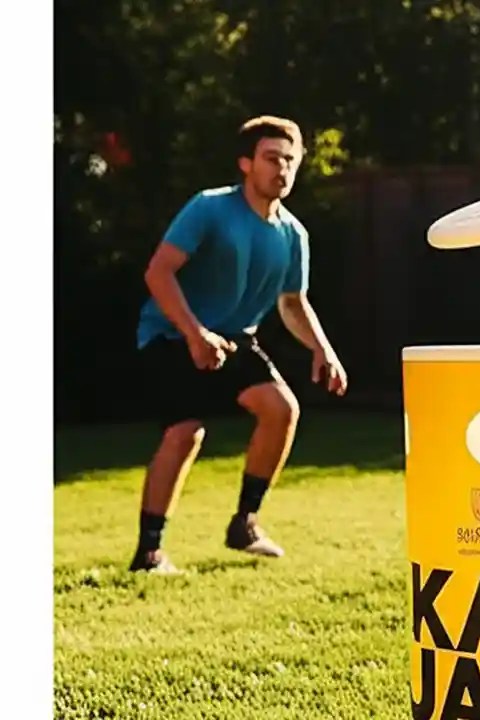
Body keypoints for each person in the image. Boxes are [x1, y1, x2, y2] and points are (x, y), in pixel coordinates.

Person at [129, 115, 349, 573]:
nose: (282, 168)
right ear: (246, 163)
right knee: (185, 432)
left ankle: (244, 524)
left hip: (235, 339)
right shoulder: (209, 208)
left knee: (281, 409)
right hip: (171, 332)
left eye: (290, 160)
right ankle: (149, 552)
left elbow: (293, 302)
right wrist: (195, 334)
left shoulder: (293, 234)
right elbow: (158, 272)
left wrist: (322, 349)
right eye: (271, 158)